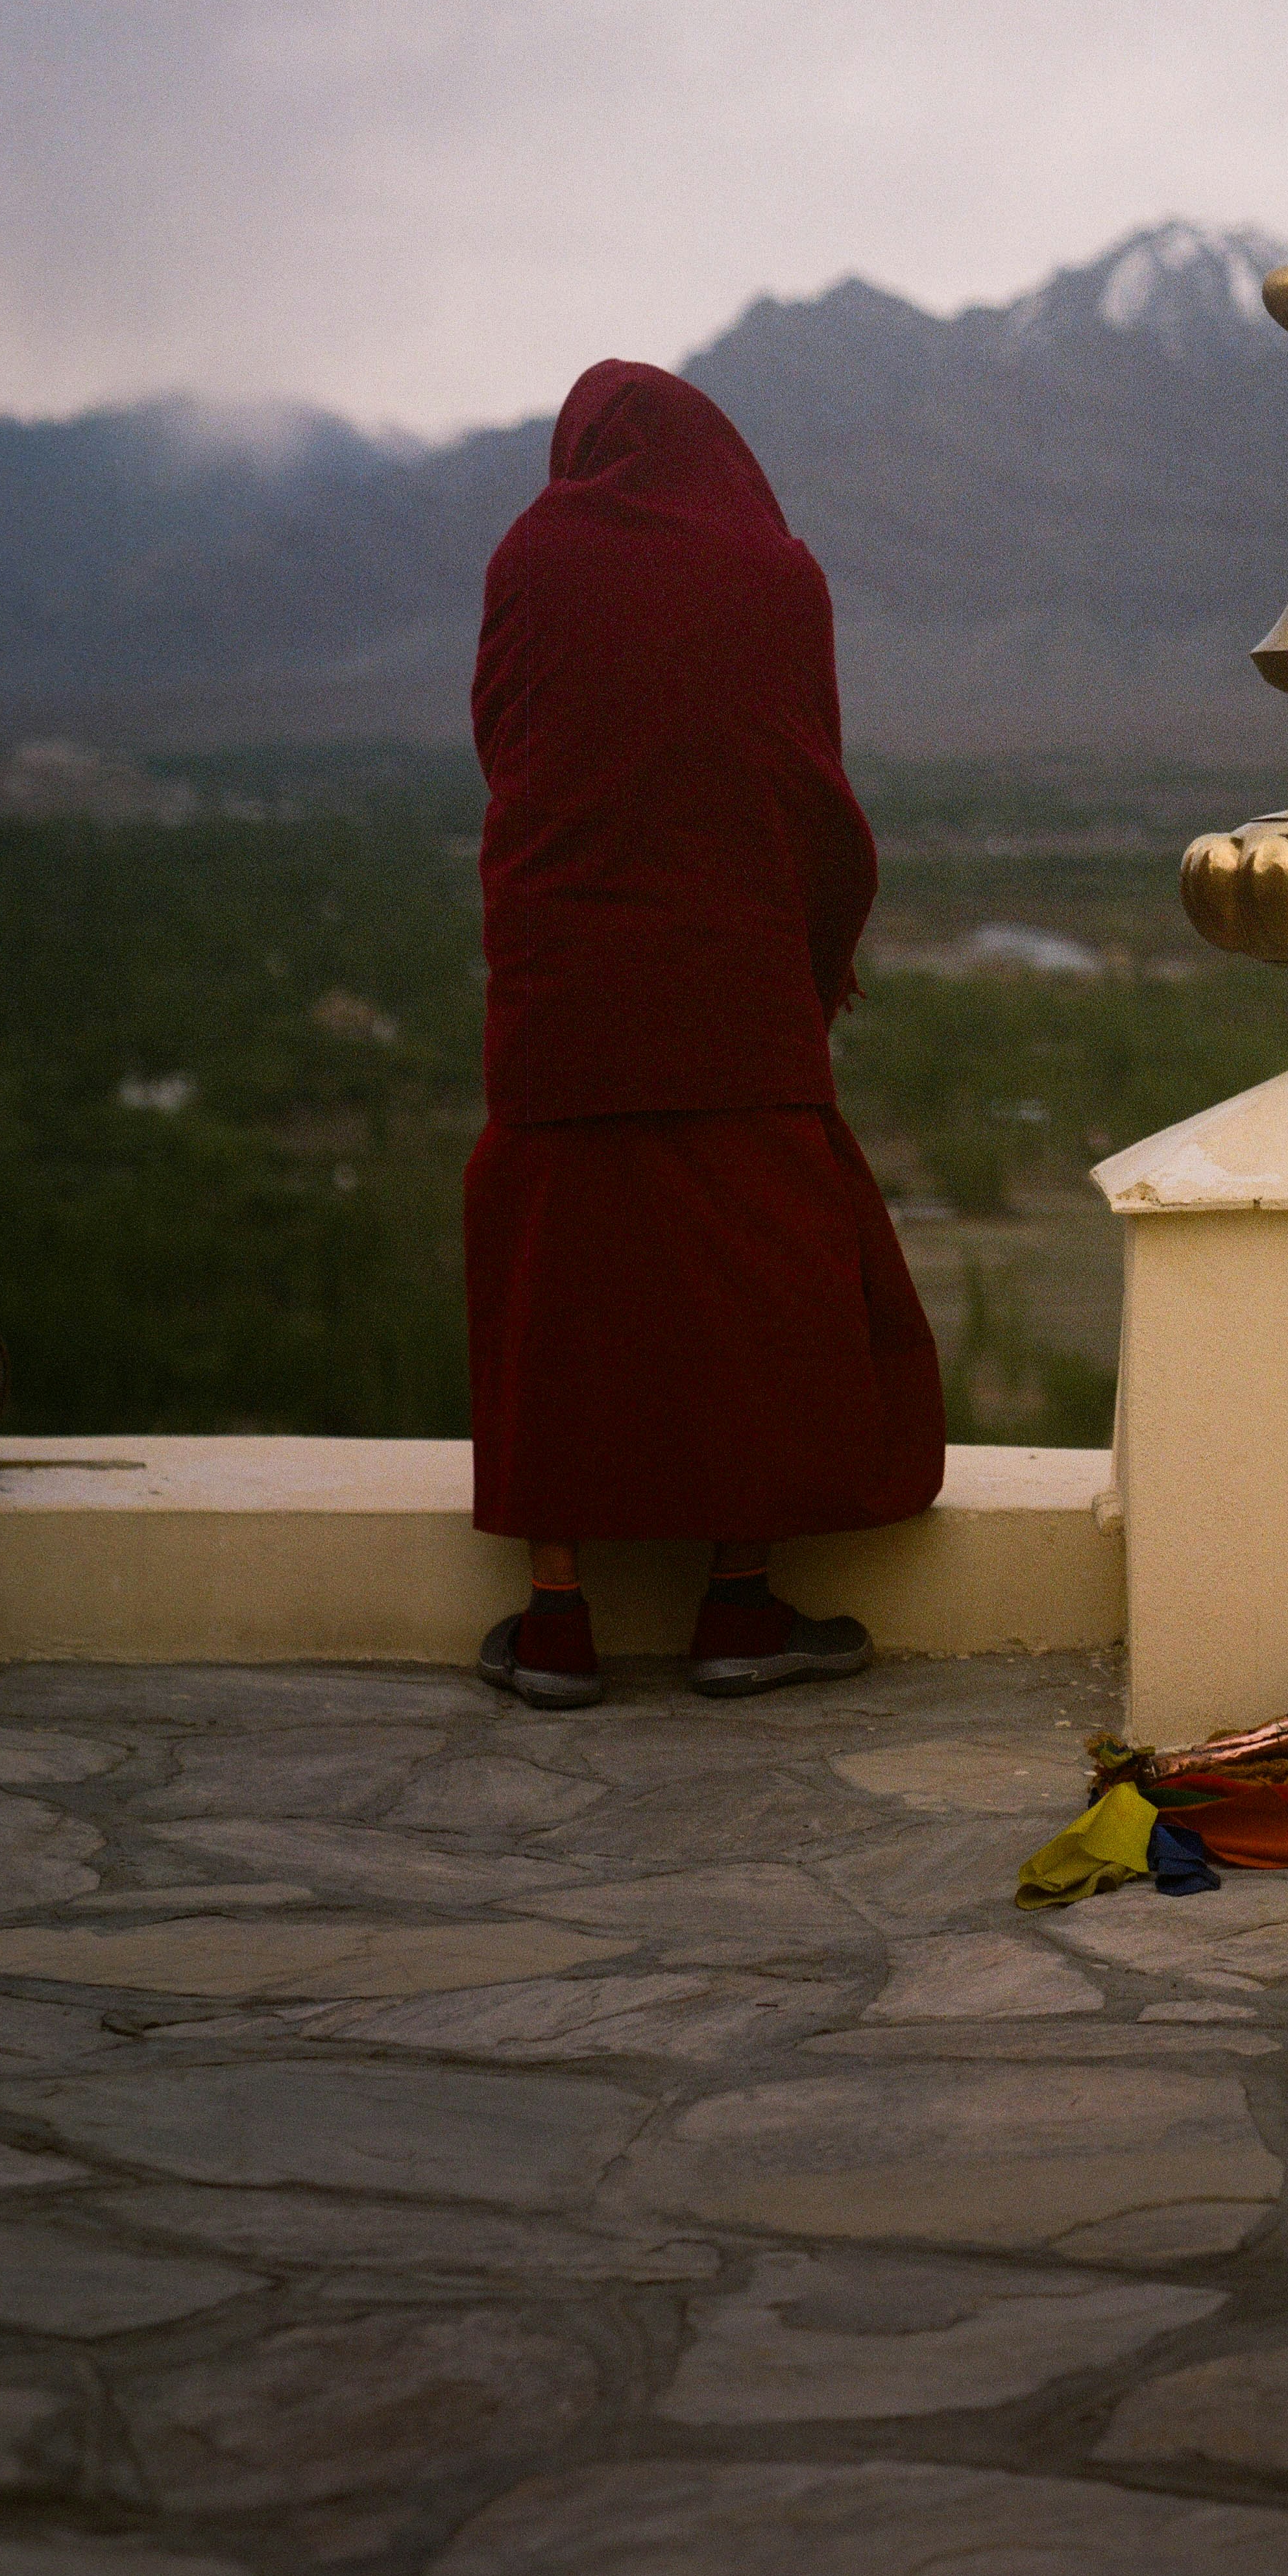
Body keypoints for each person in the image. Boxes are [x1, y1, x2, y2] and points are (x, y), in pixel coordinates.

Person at [465, 361, 945, 1711]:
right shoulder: (773, 571)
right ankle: (738, 1604)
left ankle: (557, 1619)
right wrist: (808, 947)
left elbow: (510, 746)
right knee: (765, 1286)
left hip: (564, 974)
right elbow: (809, 774)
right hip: (733, 976)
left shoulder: (530, 553)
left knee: (553, 1280)